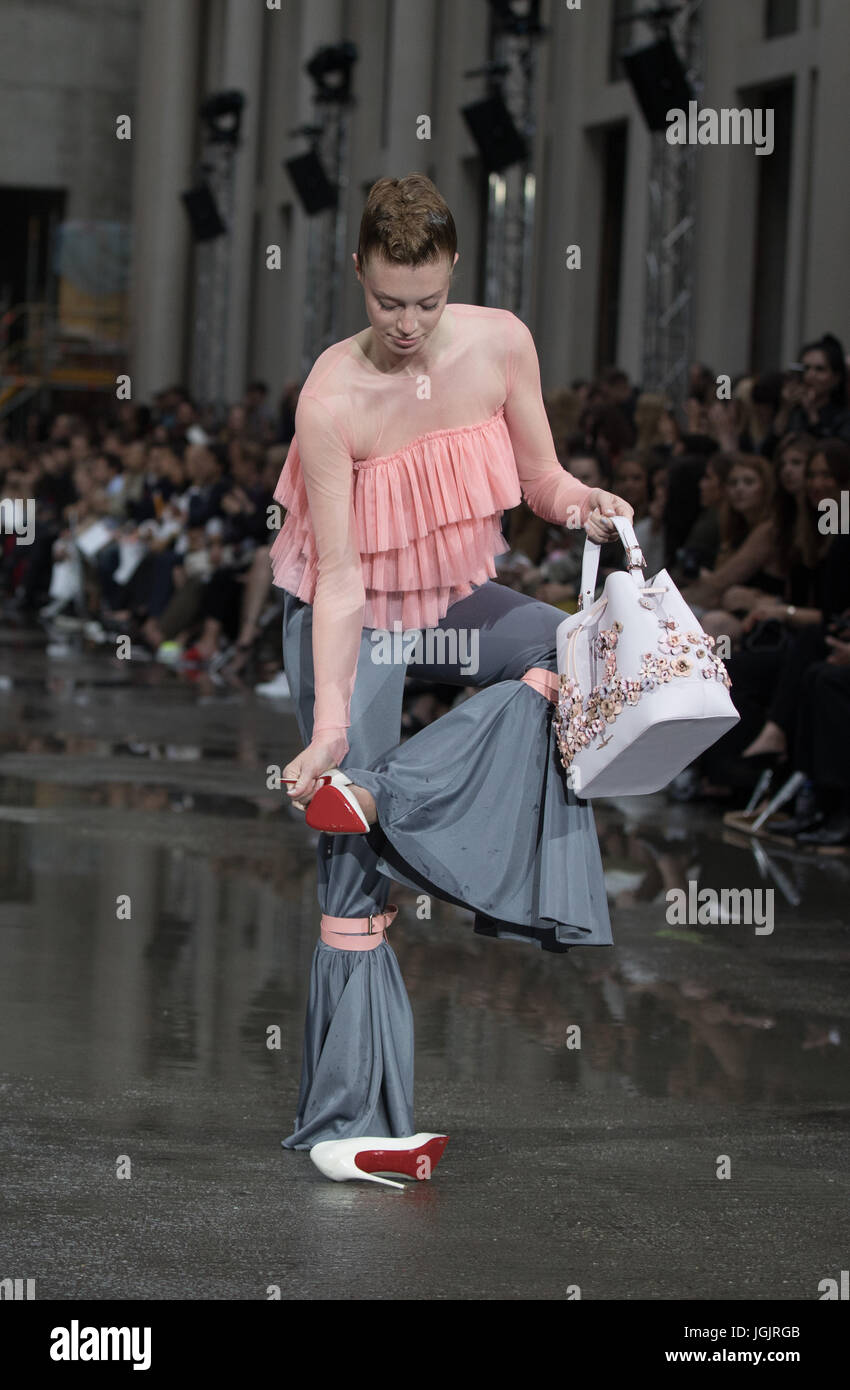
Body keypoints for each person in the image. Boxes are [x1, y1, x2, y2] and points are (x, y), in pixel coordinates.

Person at [271, 174, 633, 1180]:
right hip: (349, 617)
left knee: (563, 653)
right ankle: (348, 1129)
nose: (407, 322)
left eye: (426, 300)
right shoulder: (330, 398)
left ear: (453, 277)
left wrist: (583, 507)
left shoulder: (501, 342)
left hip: (450, 598)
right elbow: (341, 578)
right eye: (389, 300)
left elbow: (539, 479)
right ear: (357, 273)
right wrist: (333, 722)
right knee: (354, 879)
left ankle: (383, 796)